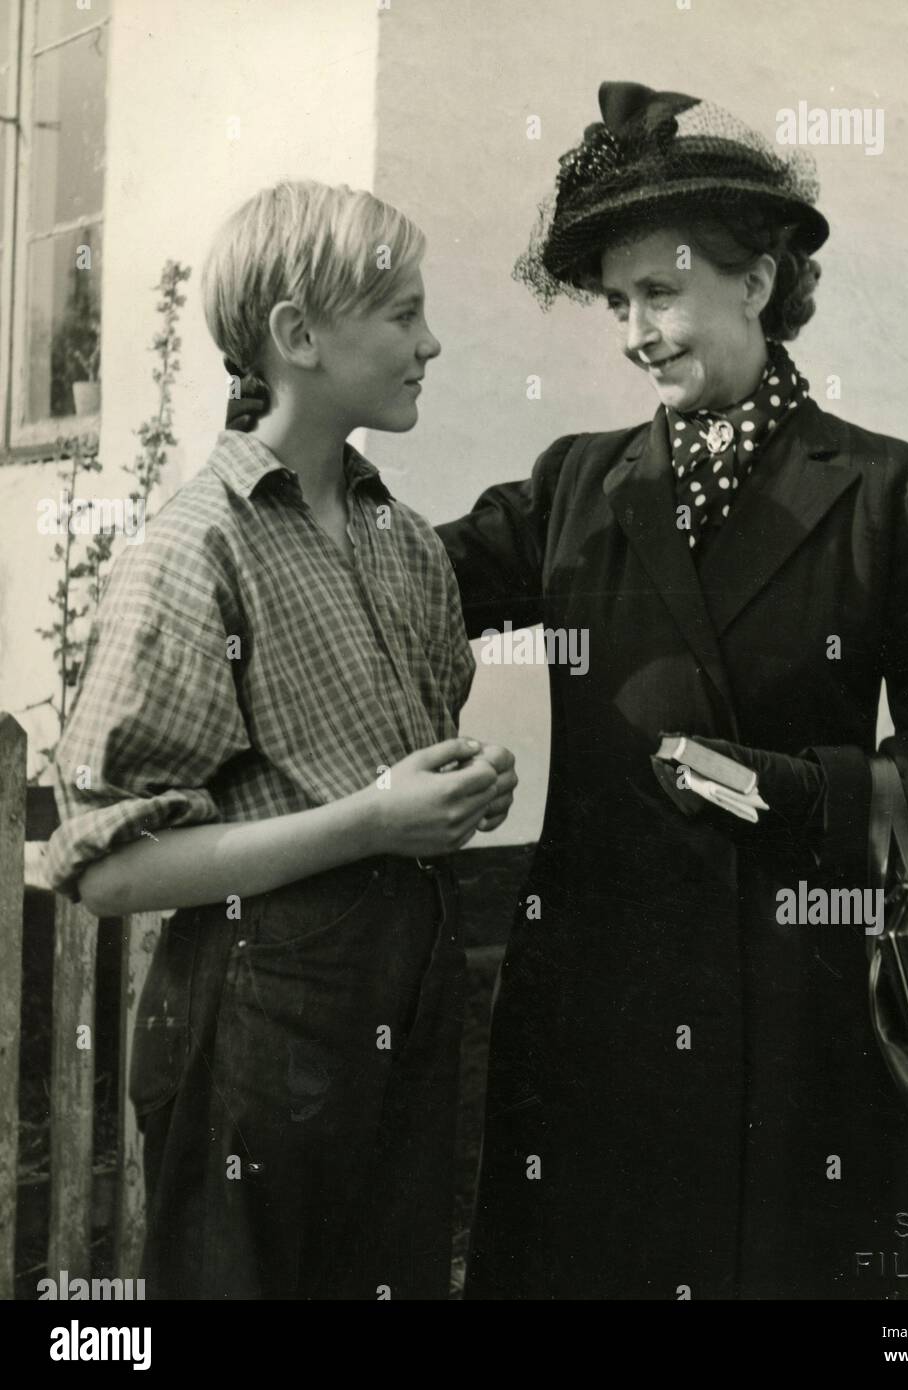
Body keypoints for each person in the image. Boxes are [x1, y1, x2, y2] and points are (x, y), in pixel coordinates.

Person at [434, 83, 908, 1300]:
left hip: (796, 1011)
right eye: (616, 302)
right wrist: (279, 452)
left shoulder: (883, 489)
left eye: (662, 291)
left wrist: (814, 793)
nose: (635, 329)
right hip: (598, 1006)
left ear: (756, 281)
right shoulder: (575, 486)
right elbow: (399, 580)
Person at [45, 180, 517, 1300]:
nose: (431, 342)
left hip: (406, 991)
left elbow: (394, 772)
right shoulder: (195, 549)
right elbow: (109, 870)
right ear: (298, 335)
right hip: (257, 1020)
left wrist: (455, 793)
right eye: (402, 314)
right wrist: (373, 821)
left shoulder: (398, 537)